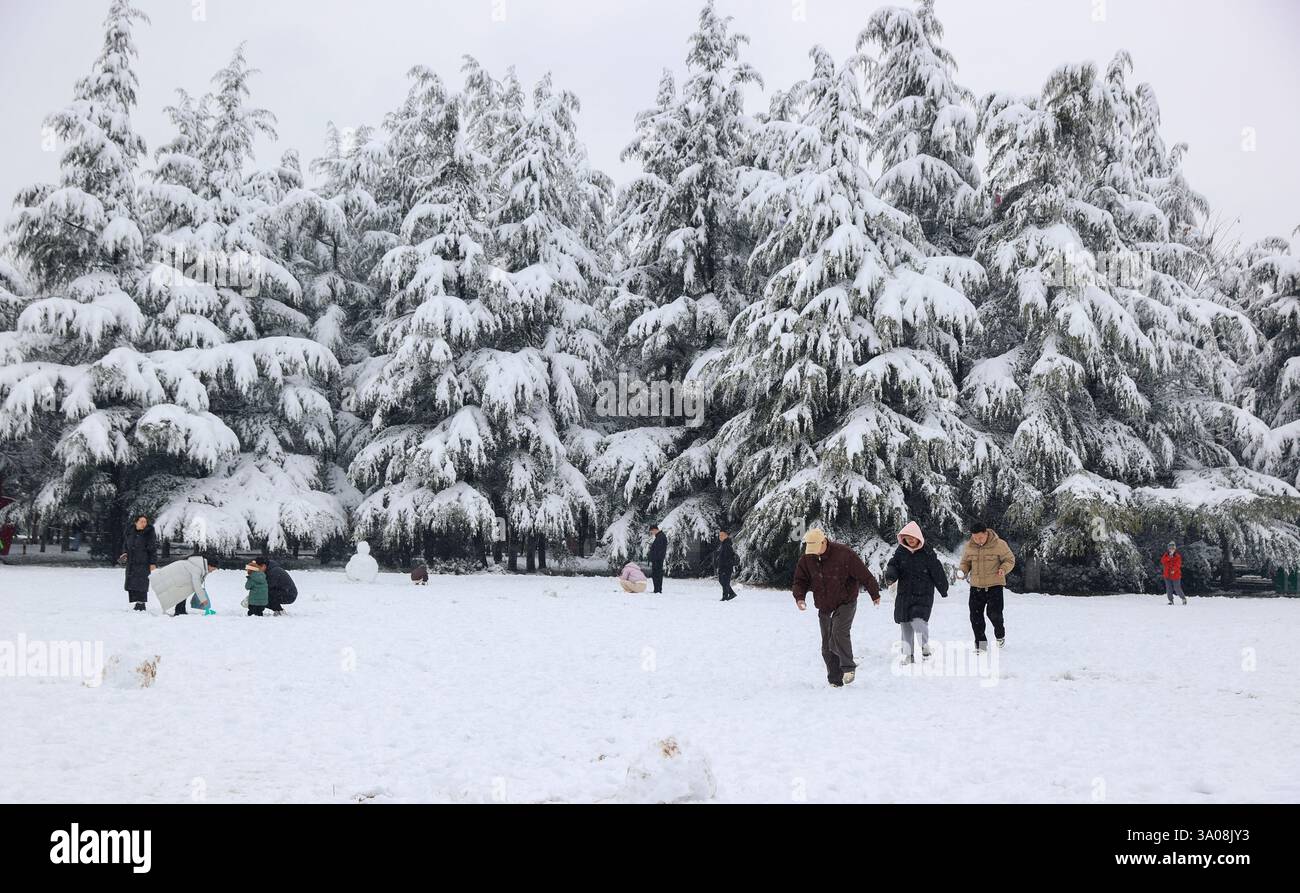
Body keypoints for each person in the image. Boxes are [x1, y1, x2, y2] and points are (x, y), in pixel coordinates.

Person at [792, 529, 880, 687]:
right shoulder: (807, 559)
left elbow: (864, 574)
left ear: (824, 542)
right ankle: (835, 680)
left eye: (815, 549)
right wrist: (800, 597)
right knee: (827, 645)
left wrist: (874, 593)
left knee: (838, 632)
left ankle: (848, 668)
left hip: (846, 601)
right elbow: (800, 580)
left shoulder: (844, 554)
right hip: (824, 605)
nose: (812, 553)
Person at [883, 521, 949, 664]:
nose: (911, 540)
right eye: (907, 538)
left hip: (923, 594)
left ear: (919, 537)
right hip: (904, 595)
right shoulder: (900, 553)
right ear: (903, 538)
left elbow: (937, 571)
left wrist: (943, 588)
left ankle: (924, 645)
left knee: (919, 622)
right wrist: (890, 577)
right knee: (905, 625)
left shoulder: (927, 553)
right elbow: (893, 566)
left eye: (913, 537)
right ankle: (908, 655)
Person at [959, 521, 1015, 650]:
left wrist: (1003, 568)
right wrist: (962, 571)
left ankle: (1000, 634)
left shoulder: (999, 544)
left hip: (995, 585)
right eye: (975, 537)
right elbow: (965, 562)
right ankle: (981, 644)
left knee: (994, 614)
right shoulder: (969, 546)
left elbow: (1010, 560)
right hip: (976, 587)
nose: (978, 540)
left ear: (986, 533)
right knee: (975, 616)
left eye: (980, 537)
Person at [150, 553, 217, 616]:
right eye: (213, 569)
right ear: (209, 565)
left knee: (183, 592)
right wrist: (203, 599)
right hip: (177, 576)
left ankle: (180, 610)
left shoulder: (200, 565)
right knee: (181, 592)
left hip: (179, 577)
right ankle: (179, 611)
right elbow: (197, 585)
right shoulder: (197, 568)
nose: (211, 571)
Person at [118, 513, 157, 613]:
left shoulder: (149, 532)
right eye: (141, 522)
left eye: (145, 522)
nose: (144, 524)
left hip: (143, 562)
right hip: (131, 562)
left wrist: (152, 563)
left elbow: (152, 549)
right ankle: (137, 602)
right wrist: (124, 554)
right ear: (136, 522)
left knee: (142, 583)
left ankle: (141, 603)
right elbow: (125, 544)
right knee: (132, 583)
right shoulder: (130, 531)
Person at [716, 529, 738, 602]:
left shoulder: (727, 545)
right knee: (723, 581)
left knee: (725, 582)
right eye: (719, 535)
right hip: (723, 567)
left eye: (722, 535)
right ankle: (731, 593)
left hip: (726, 567)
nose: (720, 537)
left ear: (726, 536)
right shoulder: (724, 544)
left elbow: (728, 557)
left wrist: (725, 566)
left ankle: (725, 597)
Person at [648, 525, 668, 594]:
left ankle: (657, 590)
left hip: (657, 560)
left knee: (657, 574)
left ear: (654, 530)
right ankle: (657, 589)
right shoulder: (660, 536)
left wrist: (655, 557)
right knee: (656, 574)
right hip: (657, 559)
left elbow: (658, 550)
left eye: (652, 532)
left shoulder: (660, 537)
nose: (652, 533)